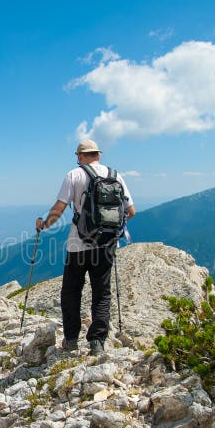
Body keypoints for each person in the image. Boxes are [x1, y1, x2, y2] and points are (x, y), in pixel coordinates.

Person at [36, 139, 135, 356]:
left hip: (78, 244)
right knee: (101, 293)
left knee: (71, 291)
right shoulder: (115, 176)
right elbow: (131, 210)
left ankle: (71, 340)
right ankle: (97, 342)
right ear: (98, 154)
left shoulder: (74, 175)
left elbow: (60, 208)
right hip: (106, 245)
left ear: (80, 156)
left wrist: (44, 225)